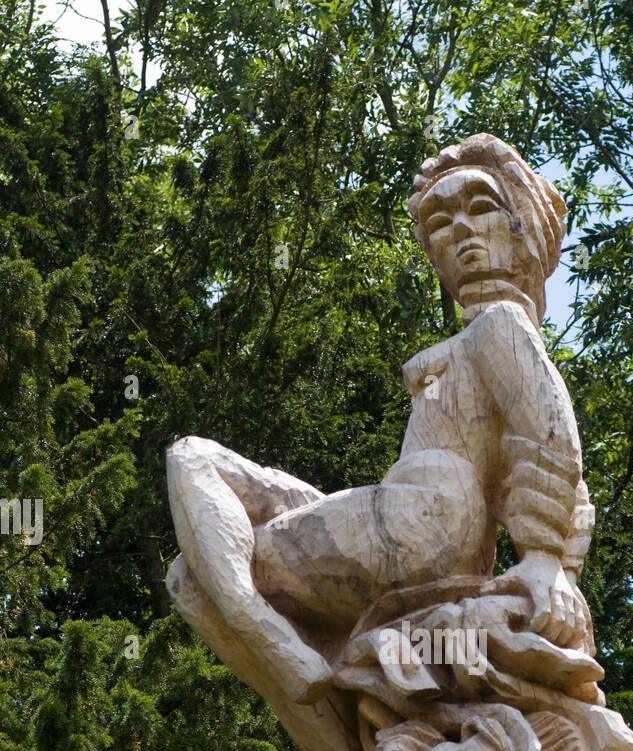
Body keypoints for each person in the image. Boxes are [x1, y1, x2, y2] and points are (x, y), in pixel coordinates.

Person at [166, 134, 594, 708]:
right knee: (193, 578)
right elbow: (553, 451)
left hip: (426, 524)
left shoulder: (498, 324)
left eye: (481, 206)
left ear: (526, 230)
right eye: (441, 221)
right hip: (412, 522)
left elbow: (551, 433)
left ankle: (268, 639)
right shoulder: (484, 333)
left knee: (191, 461)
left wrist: (549, 565)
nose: (461, 229)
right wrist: (556, 566)